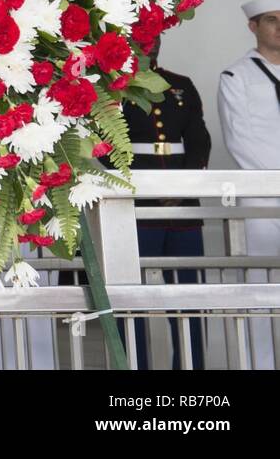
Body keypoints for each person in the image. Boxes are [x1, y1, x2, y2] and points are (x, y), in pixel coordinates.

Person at [106, 34, 210, 369]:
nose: (149, 44)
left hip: (181, 206)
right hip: (134, 204)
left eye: (154, 37)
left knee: (189, 301)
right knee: (130, 300)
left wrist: (184, 183)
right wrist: (138, 186)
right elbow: (105, 146)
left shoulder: (180, 85)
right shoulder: (112, 88)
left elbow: (198, 139)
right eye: (140, 38)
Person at [218, 0, 280, 370]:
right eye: (271, 20)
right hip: (262, 197)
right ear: (253, 27)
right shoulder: (235, 75)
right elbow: (240, 139)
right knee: (260, 288)